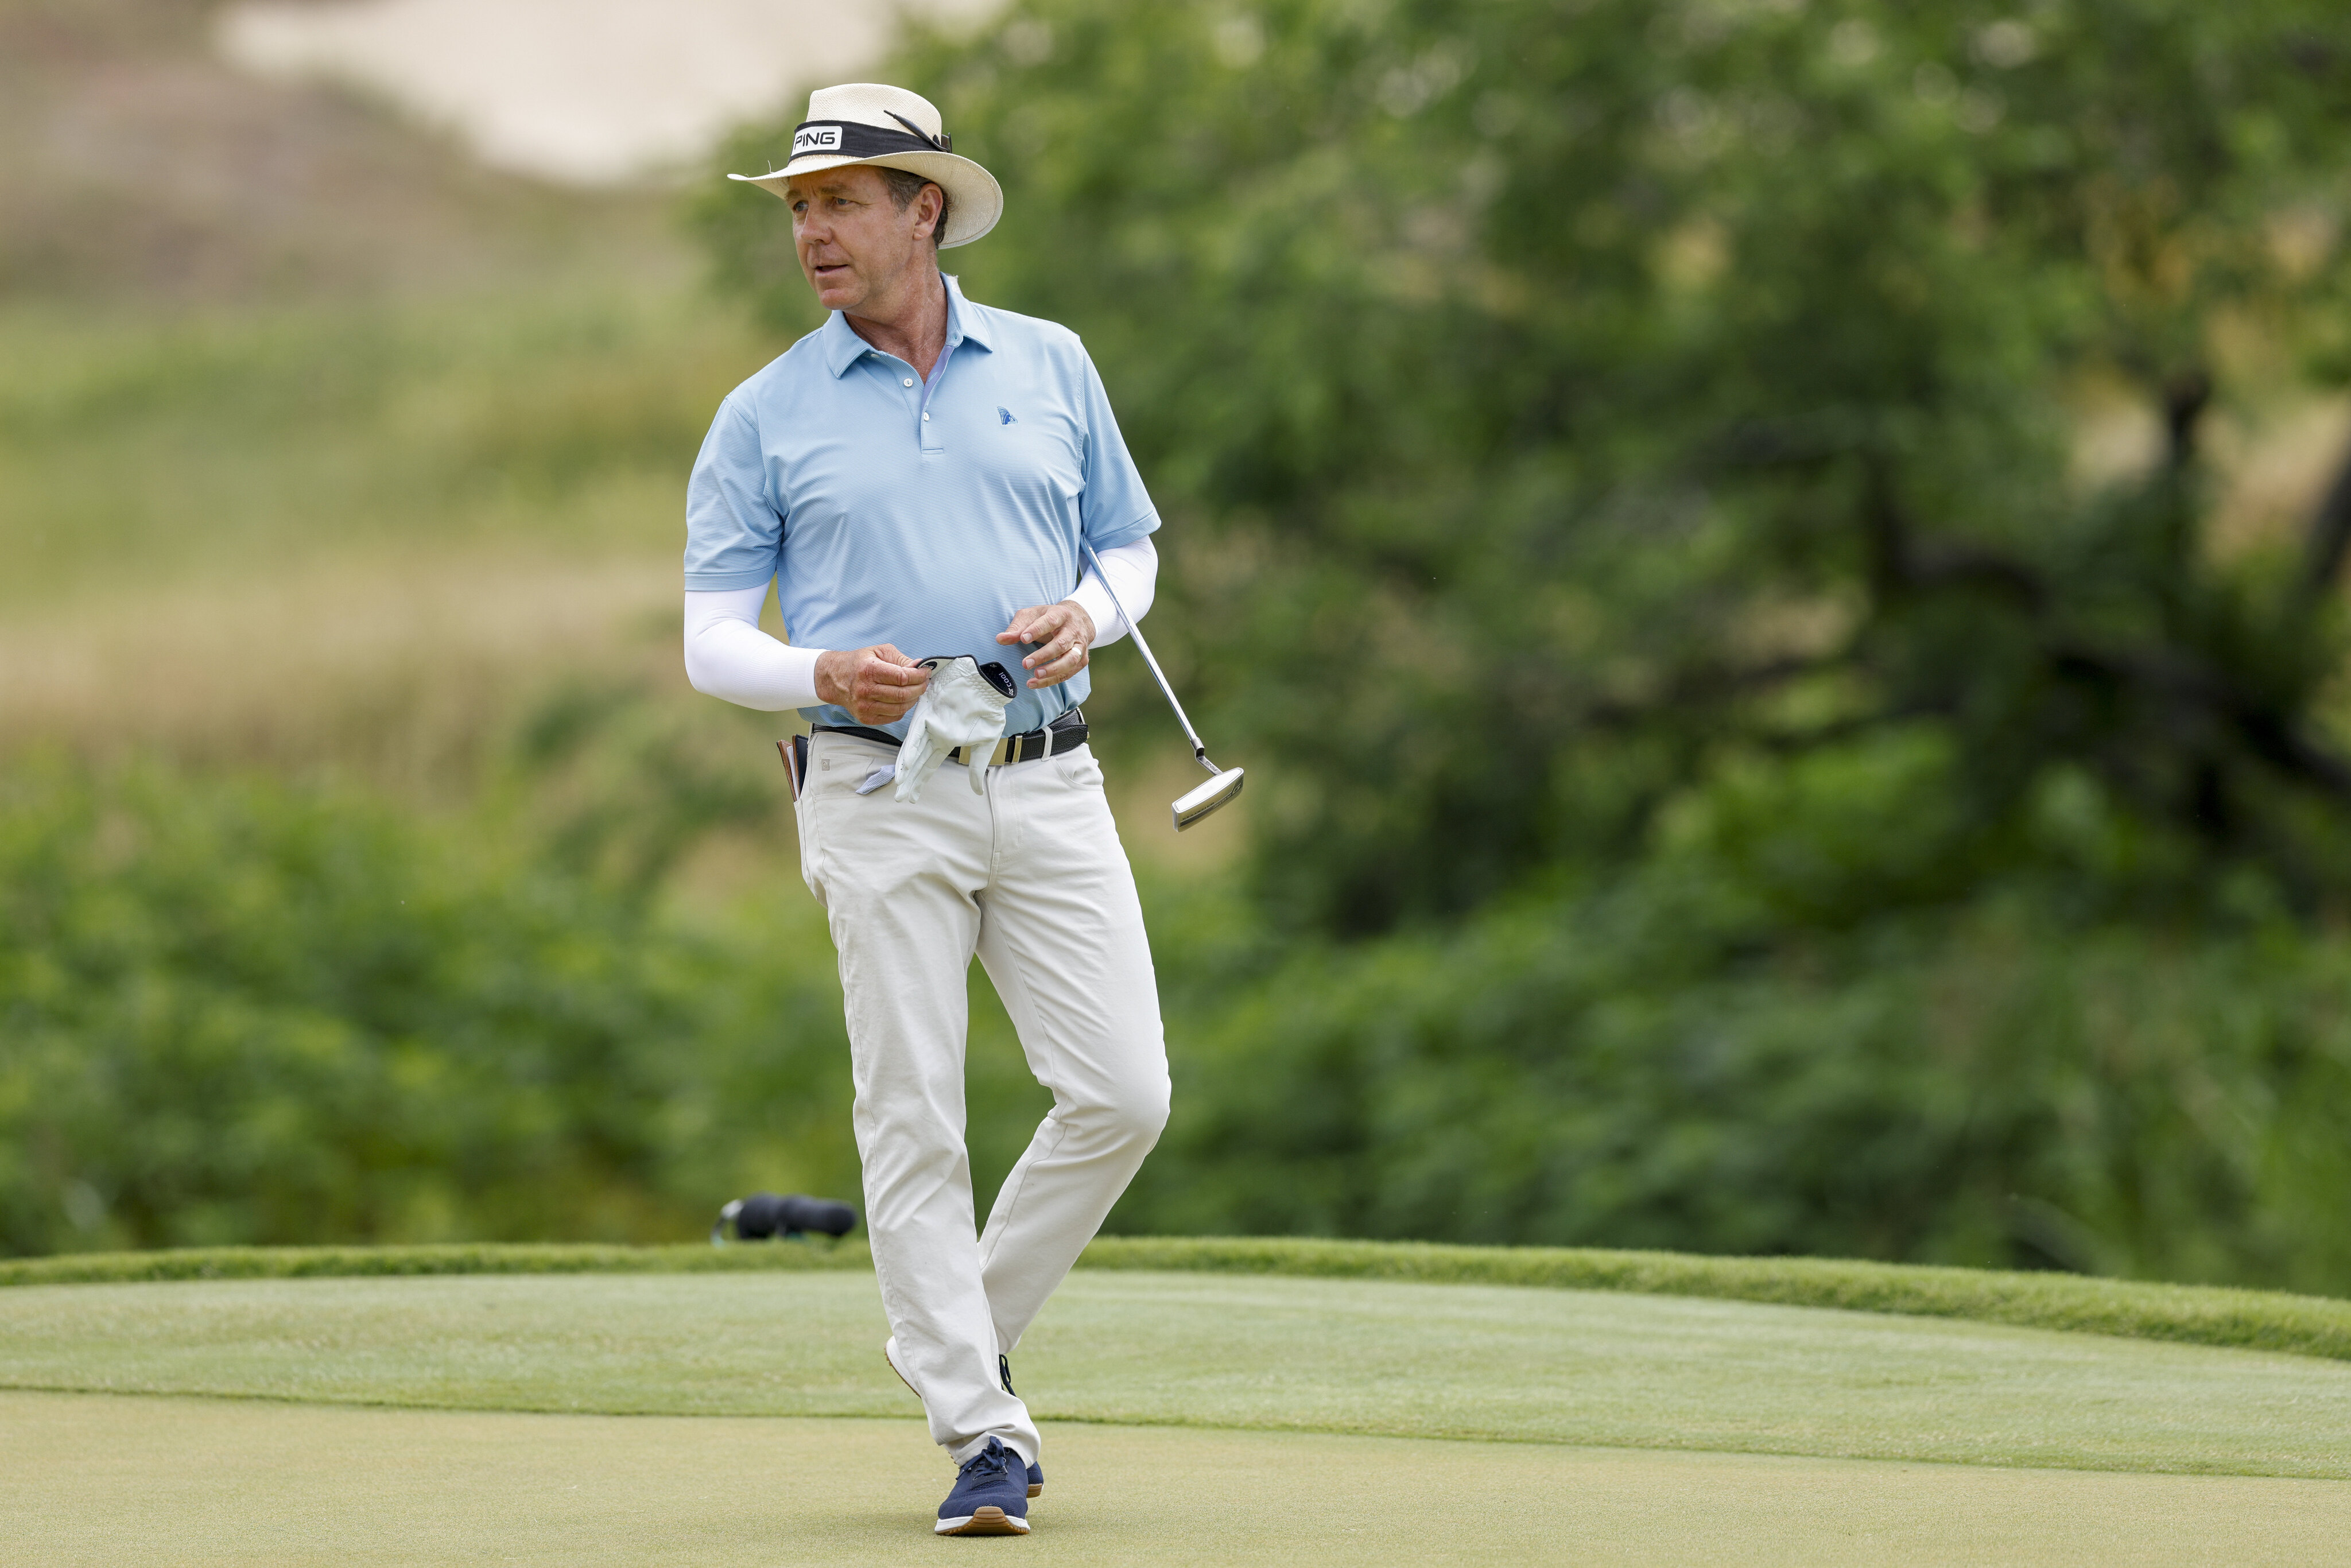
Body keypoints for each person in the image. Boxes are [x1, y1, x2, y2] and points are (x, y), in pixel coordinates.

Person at [679, 82, 1170, 1539]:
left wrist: (1088, 615)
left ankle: (947, 1330)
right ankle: (982, 1431)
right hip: (874, 788)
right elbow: (712, 640)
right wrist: (817, 665)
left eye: (839, 203)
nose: (813, 232)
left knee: (1124, 1092)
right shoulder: (763, 413)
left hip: (1049, 772)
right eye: (799, 209)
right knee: (914, 1117)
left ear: (924, 211)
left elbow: (1131, 554)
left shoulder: (1051, 360)